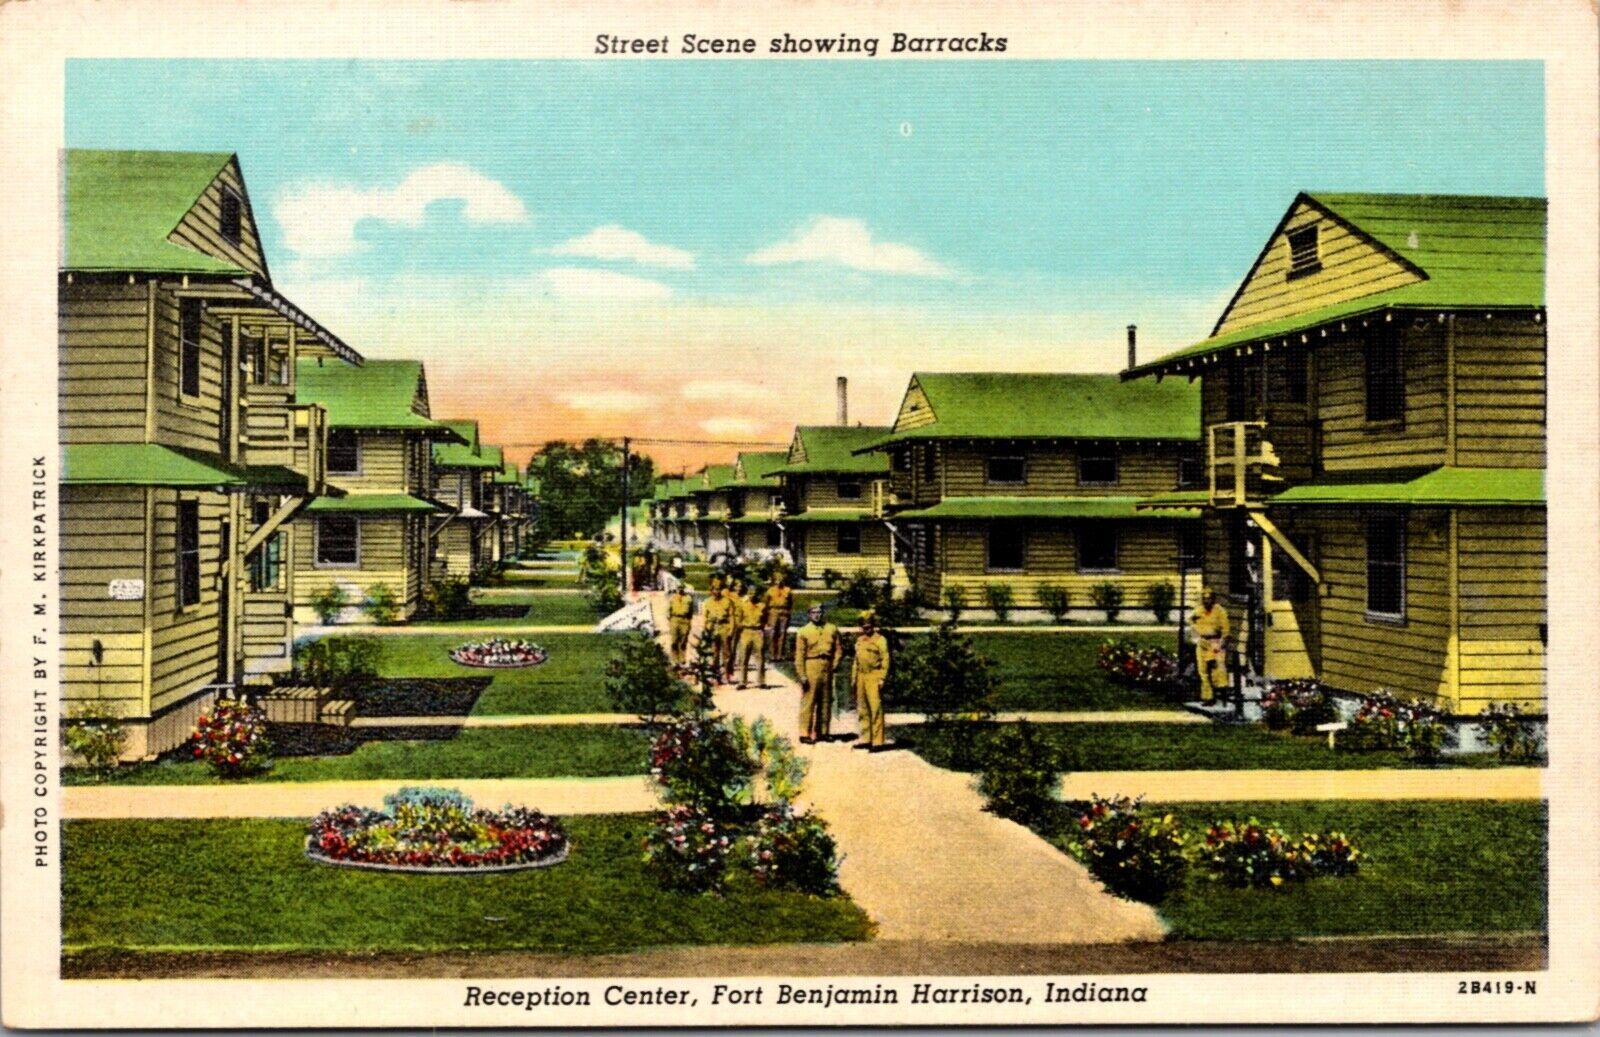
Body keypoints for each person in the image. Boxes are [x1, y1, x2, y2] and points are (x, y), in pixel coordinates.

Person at [793, 604, 843, 744]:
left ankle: (823, 731)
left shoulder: (831, 628)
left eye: (819, 612)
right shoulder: (803, 631)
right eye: (814, 612)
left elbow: (838, 649)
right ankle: (804, 733)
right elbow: (799, 655)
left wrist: (835, 664)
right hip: (811, 665)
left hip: (827, 666)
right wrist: (802, 674)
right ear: (809, 614)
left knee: (826, 701)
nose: (817, 615)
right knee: (809, 701)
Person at [852, 610, 891, 751]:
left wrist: (882, 678)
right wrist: (854, 678)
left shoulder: (880, 640)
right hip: (861, 676)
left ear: (873, 625)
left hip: (874, 675)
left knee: (875, 708)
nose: (866, 630)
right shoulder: (860, 640)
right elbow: (856, 661)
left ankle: (878, 741)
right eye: (863, 627)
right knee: (862, 709)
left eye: (868, 627)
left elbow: (885, 659)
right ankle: (865, 738)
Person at [1190, 586, 1230, 704]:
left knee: (1218, 669)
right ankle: (1208, 697)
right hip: (1202, 642)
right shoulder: (1198, 611)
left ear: (1213, 599)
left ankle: (1223, 694)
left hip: (1216, 642)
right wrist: (1196, 636)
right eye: (1204, 599)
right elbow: (1191, 621)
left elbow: (1225, 630)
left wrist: (1221, 643)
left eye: (1209, 598)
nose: (1207, 601)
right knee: (1203, 671)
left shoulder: (1220, 611)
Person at [734, 584, 769, 689]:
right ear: (747, 594)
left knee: (760, 657)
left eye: (754, 593)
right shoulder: (742, 605)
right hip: (746, 631)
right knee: (743, 657)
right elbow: (738, 619)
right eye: (750, 593)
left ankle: (761, 681)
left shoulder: (762, 605)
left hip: (758, 632)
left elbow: (765, 618)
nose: (752, 595)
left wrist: (761, 628)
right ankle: (742, 682)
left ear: (757, 594)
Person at [701, 584, 737, 681]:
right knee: (714, 652)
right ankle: (715, 674)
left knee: (726, 652)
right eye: (715, 589)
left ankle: (727, 675)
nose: (717, 591)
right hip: (712, 627)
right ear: (712, 590)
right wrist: (705, 629)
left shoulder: (727, 601)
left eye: (719, 589)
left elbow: (732, 617)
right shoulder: (707, 602)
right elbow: (705, 617)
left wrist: (731, 630)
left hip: (724, 627)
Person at [763, 573, 794, 660]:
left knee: (783, 634)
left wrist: (788, 612)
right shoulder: (770, 590)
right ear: (774, 580)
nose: (779, 581)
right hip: (773, 612)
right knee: (773, 633)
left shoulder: (788, 590)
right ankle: (773, 654)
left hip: (784, 612)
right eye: (777, 579)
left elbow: (791, 602)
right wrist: (766, 617)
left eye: (781, 579)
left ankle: (780, 655)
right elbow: (766, 603)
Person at [666, 582, 696, 667]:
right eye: (679, 588)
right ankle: (675, 660)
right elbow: (668, 611)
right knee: (674, 641)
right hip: (675, 619)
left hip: (685, 620)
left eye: (682, 588)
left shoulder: (688, 598)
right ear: (676, 588)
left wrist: (689, 622)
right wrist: (671, 621)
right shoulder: (672, 598)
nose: (680, 589)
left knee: (683, 641)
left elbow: (691, 611)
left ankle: (682, 659)